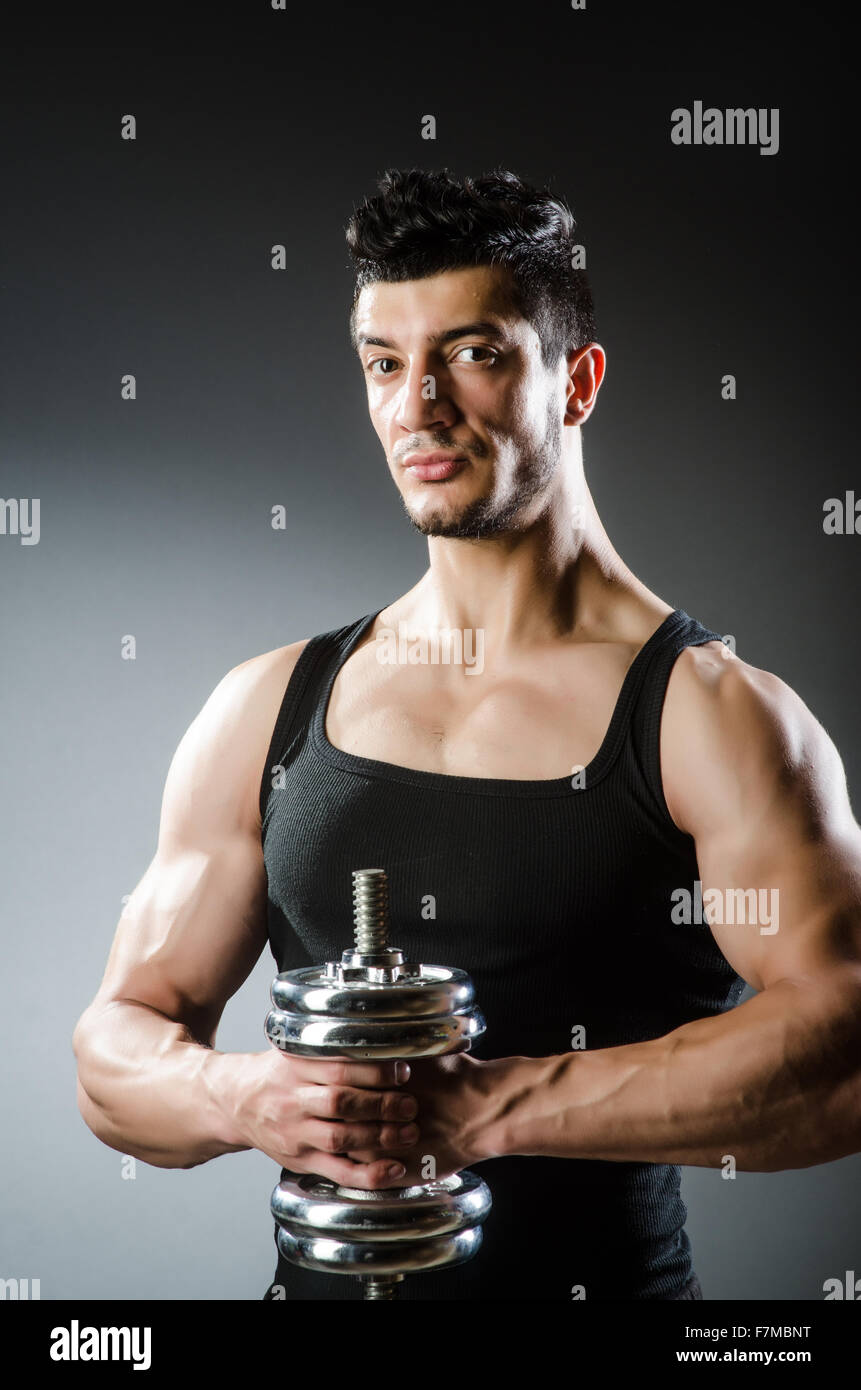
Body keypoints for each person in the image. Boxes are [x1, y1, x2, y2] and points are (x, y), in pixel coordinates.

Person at [73, 168, 861, 1301]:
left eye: (474, 353)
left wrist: (487, 1109)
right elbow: (115, 1052)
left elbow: (844, 1050)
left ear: (576, 382)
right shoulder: (272, 706)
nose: (416, 405)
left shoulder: (713, 717)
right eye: (384, 363)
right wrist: (240, 1098)